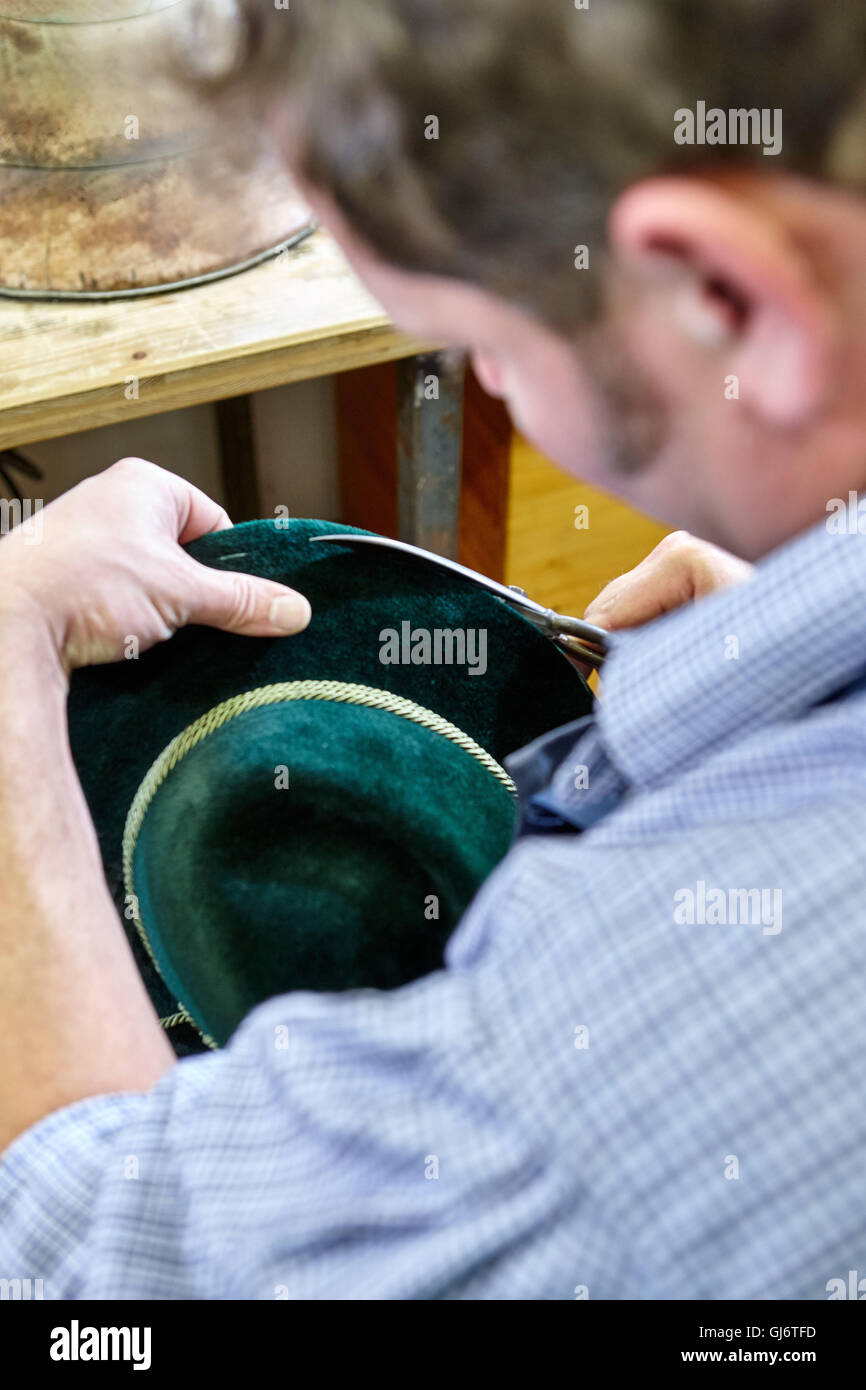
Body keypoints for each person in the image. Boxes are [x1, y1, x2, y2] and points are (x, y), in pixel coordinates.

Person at [1, 0, 865, 1299]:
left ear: (729, 295)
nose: (493, 386)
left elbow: (88, 1268)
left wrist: (6, 650)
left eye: (489, 346)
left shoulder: (597, 1086)